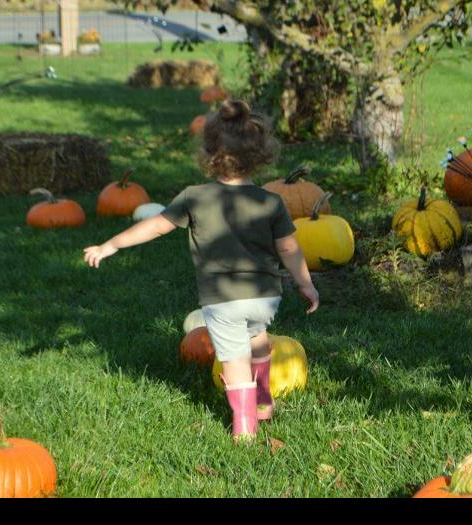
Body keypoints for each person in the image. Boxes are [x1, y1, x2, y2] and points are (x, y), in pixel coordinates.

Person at [83, 100, 319, 443]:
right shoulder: (270, 201)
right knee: (257, 338)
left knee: (235, 359)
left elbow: (155, 227)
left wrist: (112, 245)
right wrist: (306, 285)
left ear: (209, 155)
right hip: (265, 297)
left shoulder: (194, 197)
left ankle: (245, 424)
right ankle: (264, 400)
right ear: (261, 155)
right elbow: (289, 248)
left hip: (223, 300)